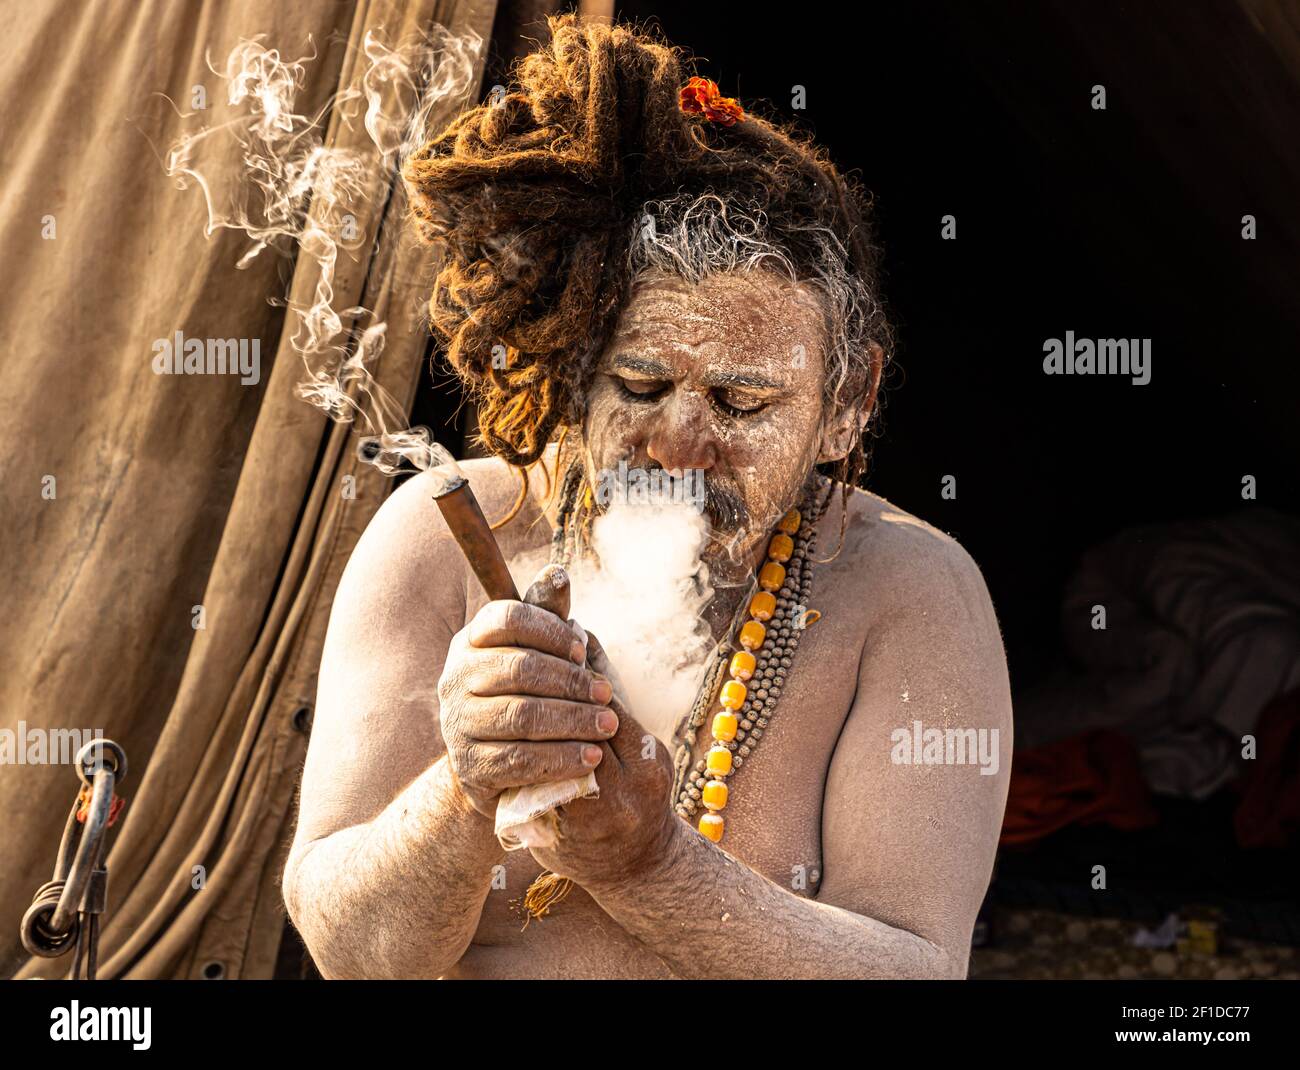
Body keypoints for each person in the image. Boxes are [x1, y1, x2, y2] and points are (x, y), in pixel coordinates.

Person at [282, 15, 1012, 979]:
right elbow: (350, 955)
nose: (676, 445)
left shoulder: (912, 593)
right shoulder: (436, 539)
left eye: (741, 401)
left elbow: (917, 973)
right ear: (575, 368)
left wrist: (652, 866)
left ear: (846, 406)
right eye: (639, 386)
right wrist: (465, 787)